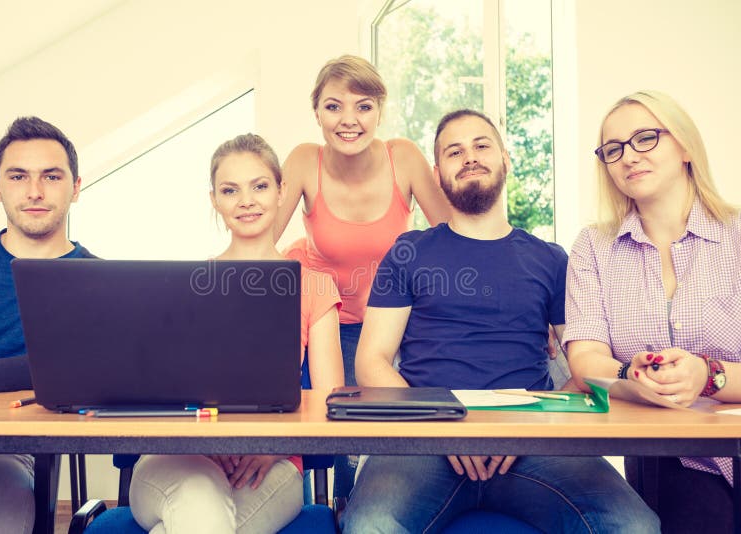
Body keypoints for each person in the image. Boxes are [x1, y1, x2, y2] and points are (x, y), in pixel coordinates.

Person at [340, 109, 659, 533]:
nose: (469, 157)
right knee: (369, 526)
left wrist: (533, 427)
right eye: (454, 151)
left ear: (505, 159)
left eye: (481, 145)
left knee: (632, 525)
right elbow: (372, 361)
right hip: (423, 438)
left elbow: (586, 365)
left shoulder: (551, 259)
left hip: (532, 444)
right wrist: (444, 426)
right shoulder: (409, 251)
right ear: (438, 174)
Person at [129, 134, 344, 534]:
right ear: (215, 200)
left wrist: (270, 448)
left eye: (259, 186)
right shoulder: (186, 284)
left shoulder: (314, 287)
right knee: (197, 502)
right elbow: (159, 390)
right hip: (177, 459)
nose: (246, 201)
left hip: (273, 466)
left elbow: (329, 403)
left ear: (281, 191)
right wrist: (206, 444)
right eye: (231, 190)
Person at [564, 90, 740, 533]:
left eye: (645, 138)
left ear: (683, 146)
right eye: (613, 149)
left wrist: (708, 374)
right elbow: (586, 361)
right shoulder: (593, 247)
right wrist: (629, 376)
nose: (629, 157)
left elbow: (712, 376)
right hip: (671, 456)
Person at [0, 116, 94, 533]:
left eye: (51, 176)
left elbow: (68, 371)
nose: (34, 191)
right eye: (18, 176)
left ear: (76, 187)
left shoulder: (101, 285)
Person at [275, 54, 451, 386]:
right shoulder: (304, 160)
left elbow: (455, 239)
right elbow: (258, 241)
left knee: (388, 424)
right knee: (322, 424)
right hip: (324, 325)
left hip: (391, 325)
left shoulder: (404, 157)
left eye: (364, 107)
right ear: (317, 113)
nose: (349, 120)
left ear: (380, 112)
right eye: (333, 107)